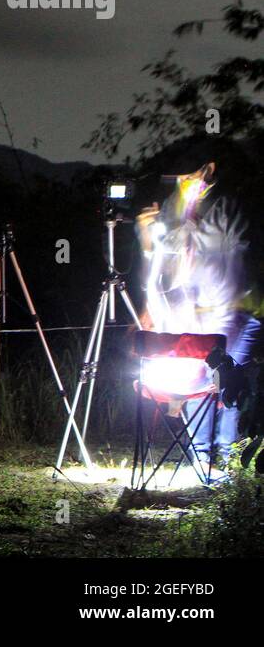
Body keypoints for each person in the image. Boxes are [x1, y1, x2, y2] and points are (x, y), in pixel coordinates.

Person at [137, 162, 259, 461]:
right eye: (179, 175)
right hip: (190, 315)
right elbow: (161, 265)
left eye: (190, 174)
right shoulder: (171, 207)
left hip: (232, 310)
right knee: (197, 375)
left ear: (209, 170)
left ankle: (228, 457)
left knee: (227, 381)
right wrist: (147, 237)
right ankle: (201, 457)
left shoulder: (227, 207)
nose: (183, 180)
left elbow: (233, 263)